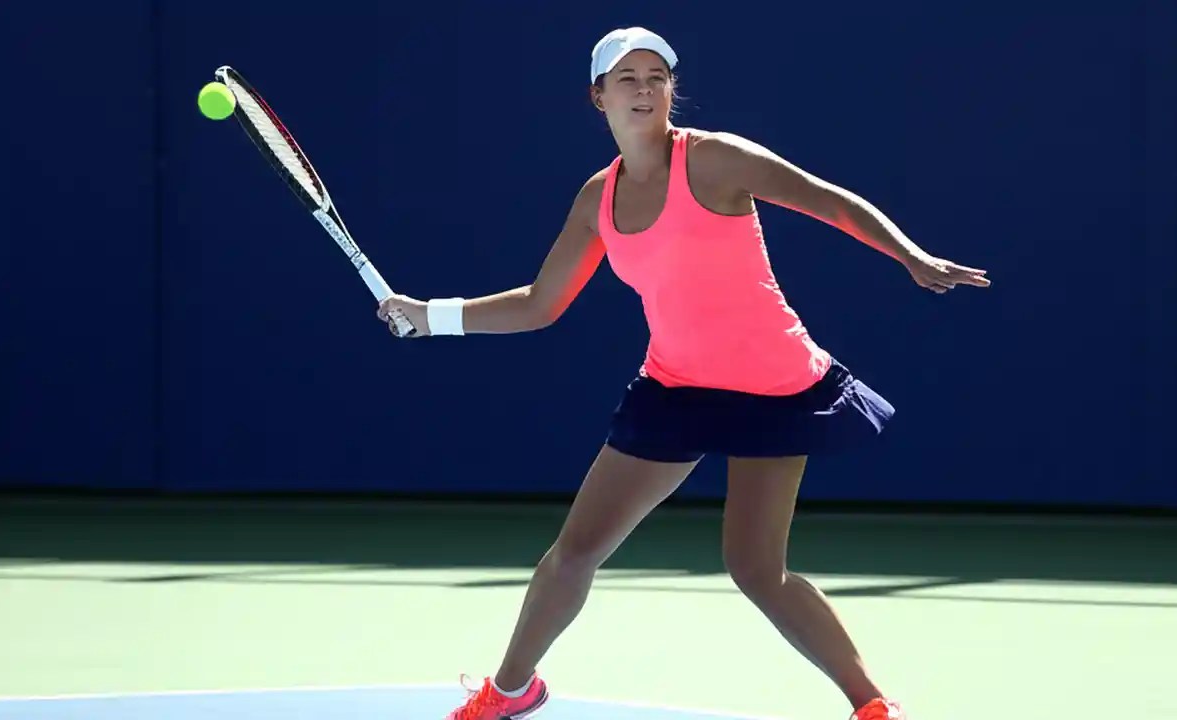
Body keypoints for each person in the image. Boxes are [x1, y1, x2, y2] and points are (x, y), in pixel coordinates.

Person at [378, 26, 990, 720]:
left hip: (776, 387)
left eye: (656, 77)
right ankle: (511, 690)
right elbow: (541, 304)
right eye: (627, 78)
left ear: (672, 90)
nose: (644, 89)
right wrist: (433, 315)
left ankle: (874, 706)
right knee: (573, 552)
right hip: (673, 388)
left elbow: (832, 201)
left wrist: (910, 255)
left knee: (756, 569)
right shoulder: (595, 200)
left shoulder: (718, 159)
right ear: (597, 96)